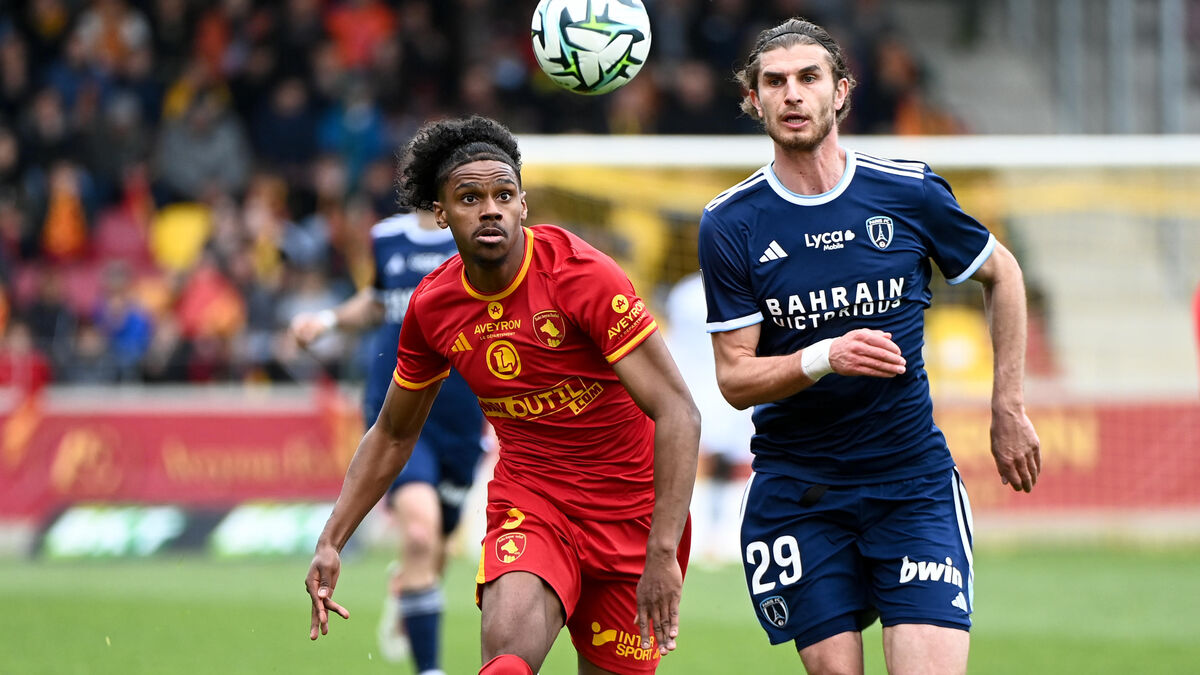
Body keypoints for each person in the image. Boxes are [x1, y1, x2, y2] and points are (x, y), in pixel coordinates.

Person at [696, 18, 1042, 675]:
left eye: (808, 78)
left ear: (841, 92)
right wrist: (828, 354)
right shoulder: (731, 223)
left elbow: (1004, 273)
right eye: (775, 82)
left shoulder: (907, 189)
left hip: (911, 485)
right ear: (753, 100)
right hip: (801, 492)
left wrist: (1008, 406)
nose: (792, 94)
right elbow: (735, 377)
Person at [304, 115, 700, 675]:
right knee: (507, 665)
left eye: (503, 194)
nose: (490, 208)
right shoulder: (433, 305)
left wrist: (663, 550)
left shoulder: (582, 276)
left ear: (522, 205)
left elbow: (678, 410)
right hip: (533, 501)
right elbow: (394, 431)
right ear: (440, 213)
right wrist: (332, 539)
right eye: (469, 197)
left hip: (632, 515)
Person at [290, 207, 487, 675]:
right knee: (419, 531)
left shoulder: (476, 235)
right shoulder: (386, 237)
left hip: (461, 415)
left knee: (435, 544)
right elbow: (378, 301)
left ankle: (409, 593)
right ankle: (429, 669)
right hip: (399, 409)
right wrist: (328, 321)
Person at [663, 271, 753, 565]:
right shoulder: (740, 284)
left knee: (716, 457)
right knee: (728, 457)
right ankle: (719, 533)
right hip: (722, 378)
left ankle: (707, 533)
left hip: (701, 380)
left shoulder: (684, 292)